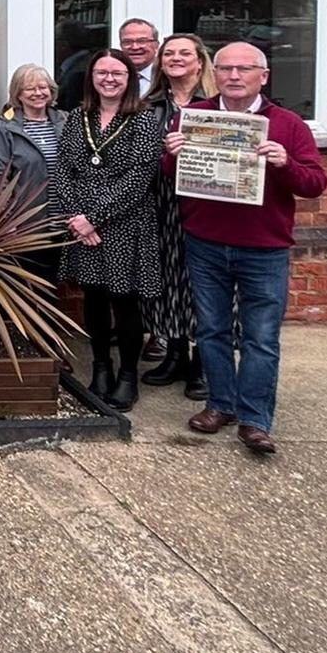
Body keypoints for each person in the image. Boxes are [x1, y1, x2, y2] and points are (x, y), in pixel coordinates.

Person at [168, 41, 327, 457]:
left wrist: (284, 163)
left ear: (263, 75)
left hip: (264, 248)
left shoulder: (288, 125)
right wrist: (173, 155)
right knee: (211, 330)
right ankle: (221, 404)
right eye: (226, 69)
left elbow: (314, 184)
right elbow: (171, 175)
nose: (234, 76)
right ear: (214, 73)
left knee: (260, 338)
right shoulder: (194, 116)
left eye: (244, 69)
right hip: (205, 242)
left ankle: (256, 420)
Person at [48, 49, 166, 412]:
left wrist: (94, 218)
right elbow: (62, 170)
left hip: (124, 224)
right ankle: (101, 367)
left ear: (129, 78)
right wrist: (76, 218)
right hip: (82, 225)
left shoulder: (144, 120)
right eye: (102, 72)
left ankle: (127, 376)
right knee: (94, 300)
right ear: (91, 78)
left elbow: (139, 179)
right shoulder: (77, 117)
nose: (109, 79)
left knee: (125, 303)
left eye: (117, 73)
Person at [142, 34, 220, 399]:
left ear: (200, 61)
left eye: (183, 53)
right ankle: (174, 354)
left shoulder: (218, 105)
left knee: (205, 285)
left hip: (208, 206)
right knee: (169, 279)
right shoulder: (150, 105)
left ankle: (203, 363)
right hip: (161, 205)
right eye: (168, 54)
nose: (175, 58)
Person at [0, 64, 68, 286]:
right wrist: (7, 218)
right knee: (33, 288)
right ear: (18, 93)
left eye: (43, 87)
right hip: (28, 225)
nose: (38, 93)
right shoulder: (5, 128)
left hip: (67, 224)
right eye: (29, 88)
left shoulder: (66, 122)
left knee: (64, 291)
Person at [119, 18, 161, 96]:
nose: (135, 47)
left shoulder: (166, 77)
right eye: (127, 42)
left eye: (142, 41)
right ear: (121, 46)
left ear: (156, 45)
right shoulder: (112, 78)